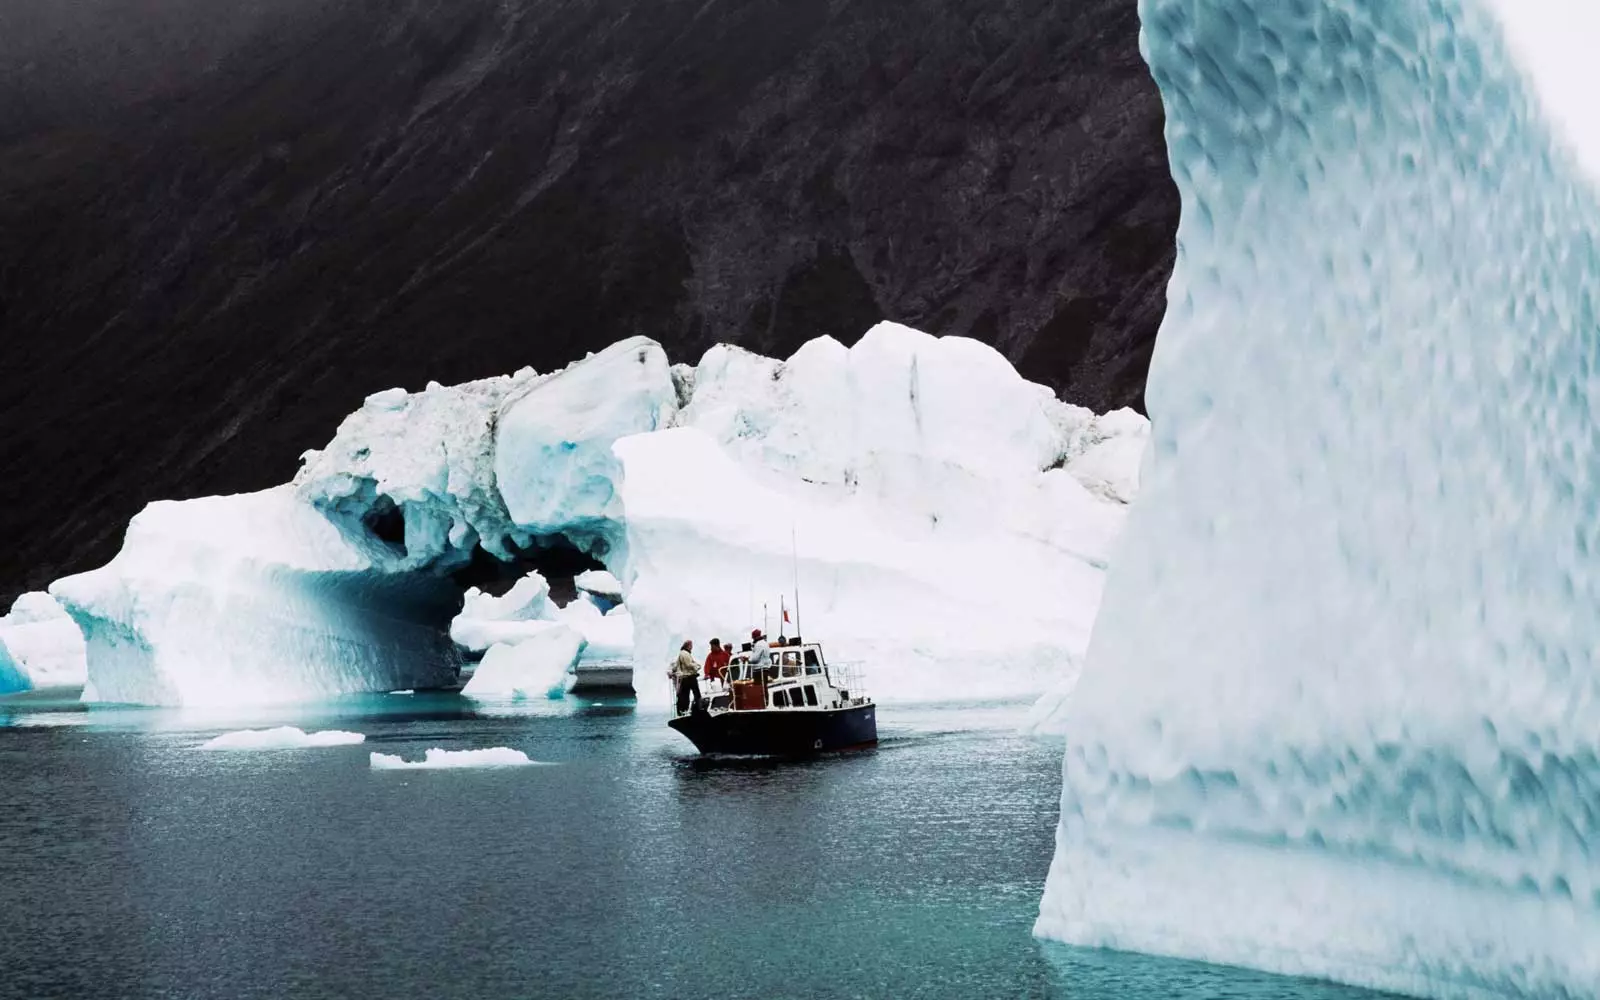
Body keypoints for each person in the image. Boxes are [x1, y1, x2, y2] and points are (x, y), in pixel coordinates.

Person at [673, 640, 702, 715]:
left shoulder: (683, 653)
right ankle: (698, 710)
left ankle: (683, 711)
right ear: (688, 646)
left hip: (685, 678)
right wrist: (697, 666)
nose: (692, 647)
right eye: (691, 645)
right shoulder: (685, 654)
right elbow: (688, 664)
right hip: (689, 677)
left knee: (685, 695)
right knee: (696, 694)